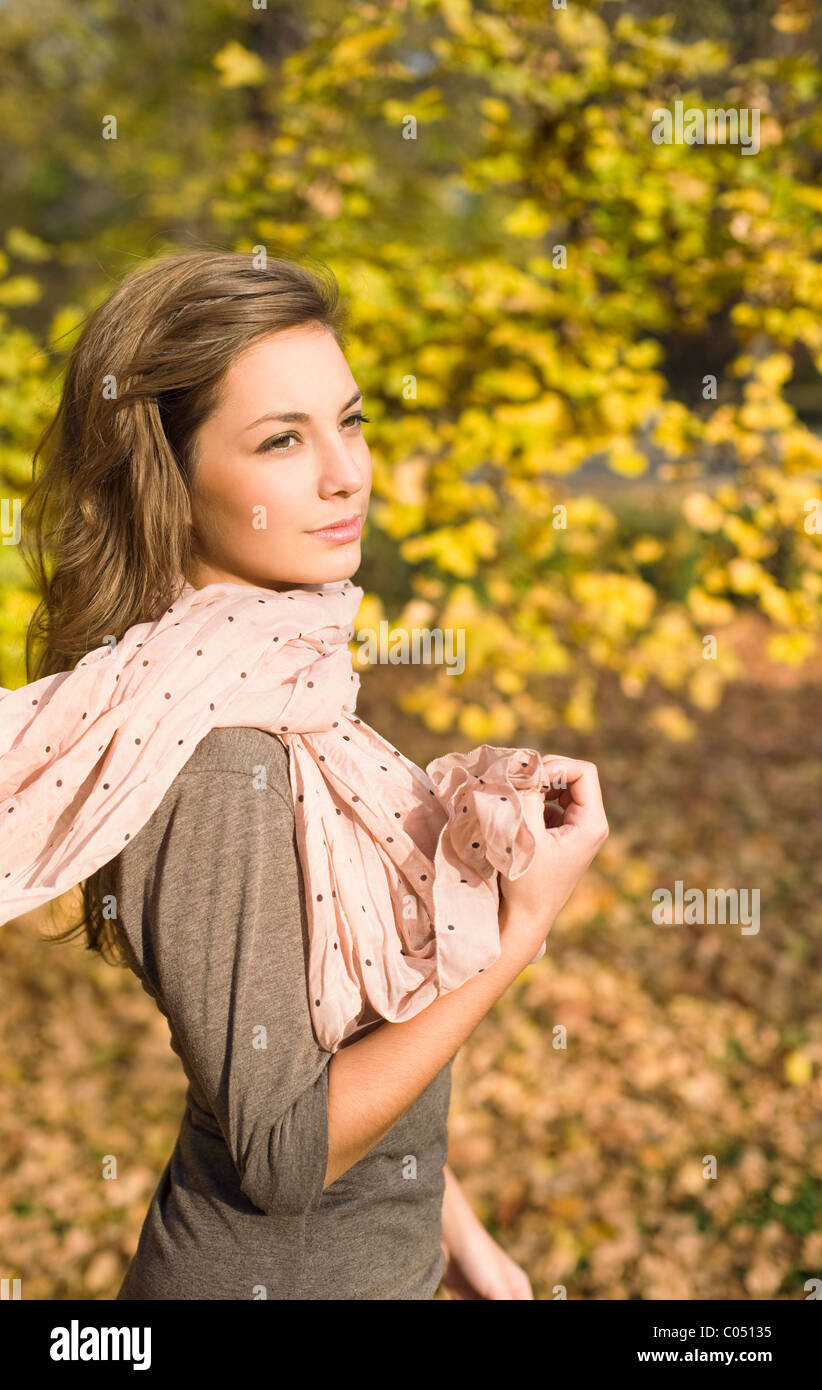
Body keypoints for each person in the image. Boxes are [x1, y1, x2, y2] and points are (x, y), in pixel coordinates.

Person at [18, 248, 609, 1299]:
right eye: (283, 439)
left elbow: (334, 1043)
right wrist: (518, 935)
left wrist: (464, 1244)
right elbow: (286, 1155)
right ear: (170, 475)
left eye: (352, 418)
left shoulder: (287, 692)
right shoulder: (219, 756)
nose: (346, 471)